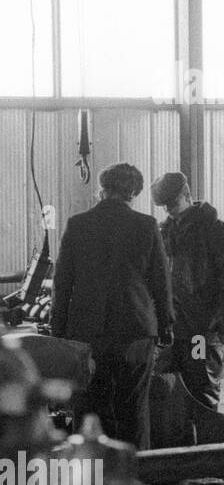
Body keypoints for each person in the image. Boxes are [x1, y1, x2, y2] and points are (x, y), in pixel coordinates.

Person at [51, 163, 173, 449]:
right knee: (134, 410)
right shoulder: (146, 225)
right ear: (134, 192)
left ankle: (93, 480)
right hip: (136, 329)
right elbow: (160, 281)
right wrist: (166, 324)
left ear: (101, 190)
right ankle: (136, 477)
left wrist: (59, 331)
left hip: (88, 332)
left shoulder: (78, 224)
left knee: (91, 406)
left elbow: (62, 282)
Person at [150, 172, 224, 409]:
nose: (168, 210)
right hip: (173, 332)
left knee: (200, 386)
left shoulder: (216, 232)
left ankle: (205, 442)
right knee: (166, 393)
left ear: (186, 195)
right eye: (164, 206)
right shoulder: (165, 233)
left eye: (172, 204)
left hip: (200, 333)